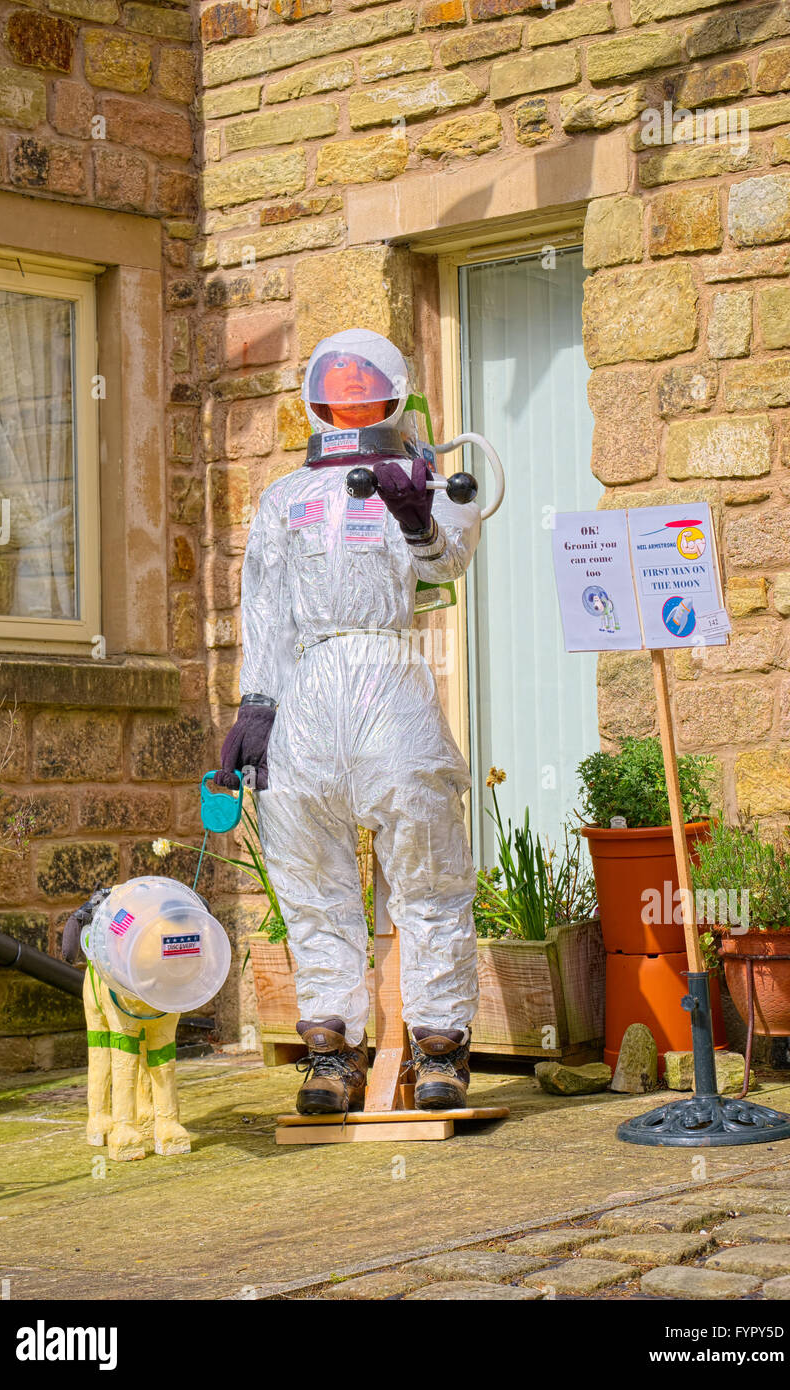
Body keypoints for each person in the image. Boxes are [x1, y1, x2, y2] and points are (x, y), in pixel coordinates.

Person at [216, 328, 482, 1114]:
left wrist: (418, 517)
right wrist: (255, 705)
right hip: (307, 685)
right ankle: (332, 1052)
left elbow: (447, 565)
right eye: (340, 384)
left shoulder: (423, 476)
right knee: (307, 869)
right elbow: (263, 609)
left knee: (425, 856)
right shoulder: (284, 500)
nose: (352, 394)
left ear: (393, 393)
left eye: (366, 384)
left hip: (387, 668)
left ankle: (438, 1047)